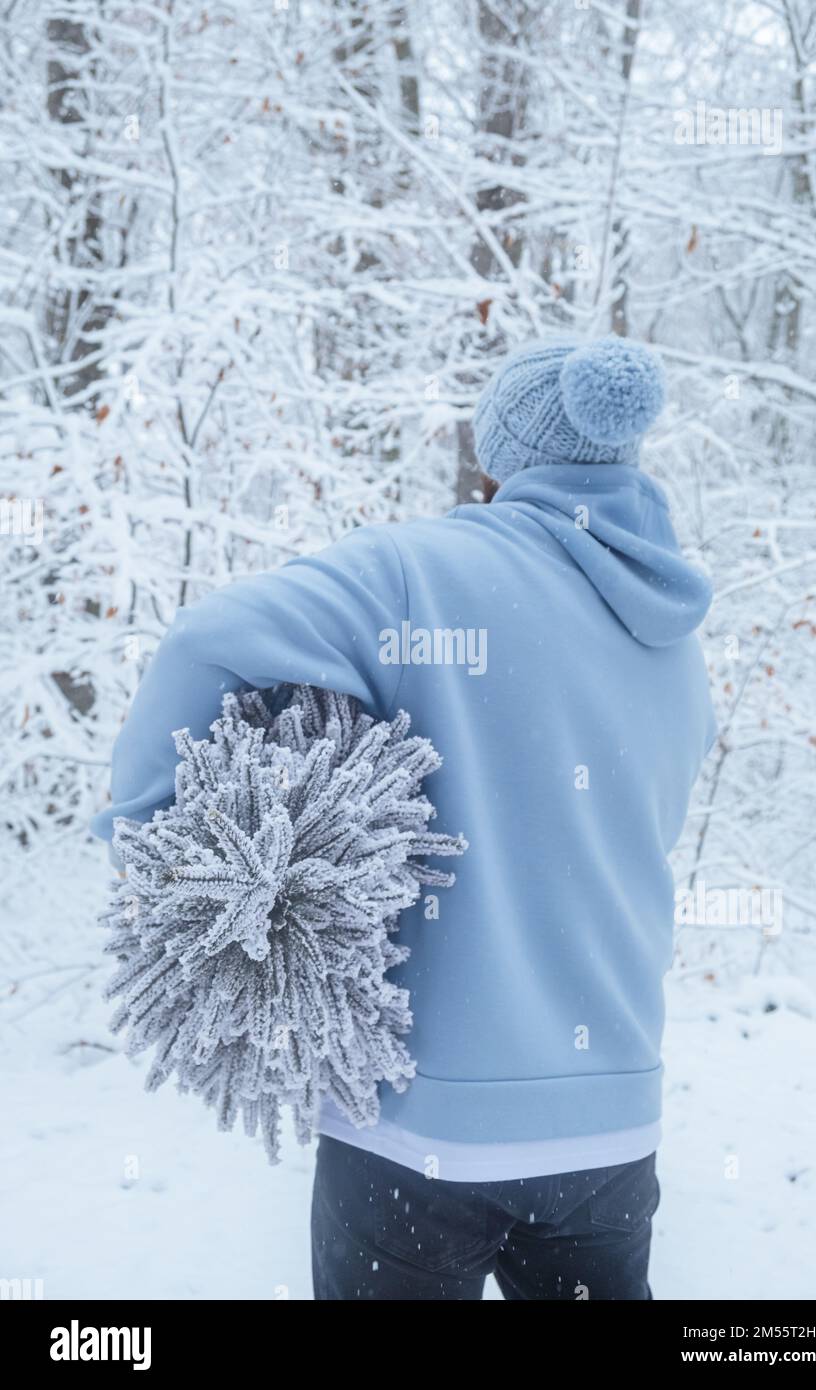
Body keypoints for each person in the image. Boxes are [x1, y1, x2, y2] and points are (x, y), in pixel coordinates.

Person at [91, 335, 716, 1301]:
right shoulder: (673, 636)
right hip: (613, 1130)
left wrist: (153, 840)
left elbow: (205, 640)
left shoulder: (413, 574)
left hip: (422, 1137)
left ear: (499, 457)